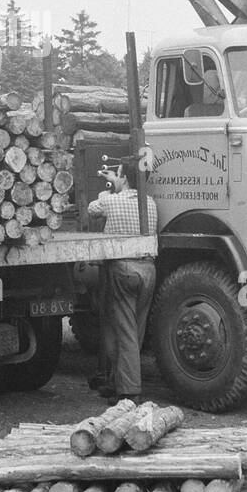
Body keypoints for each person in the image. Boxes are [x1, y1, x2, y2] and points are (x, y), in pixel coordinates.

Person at [86, 157, 159, 402]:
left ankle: (129, 392)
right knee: (134, 331)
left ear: (125, 176)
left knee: (124, 331)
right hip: (148, 269)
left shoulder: (112, 202)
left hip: (123, 268)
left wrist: (109, 187)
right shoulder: (150, 203)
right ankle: (117, 382)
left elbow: (91, 209)